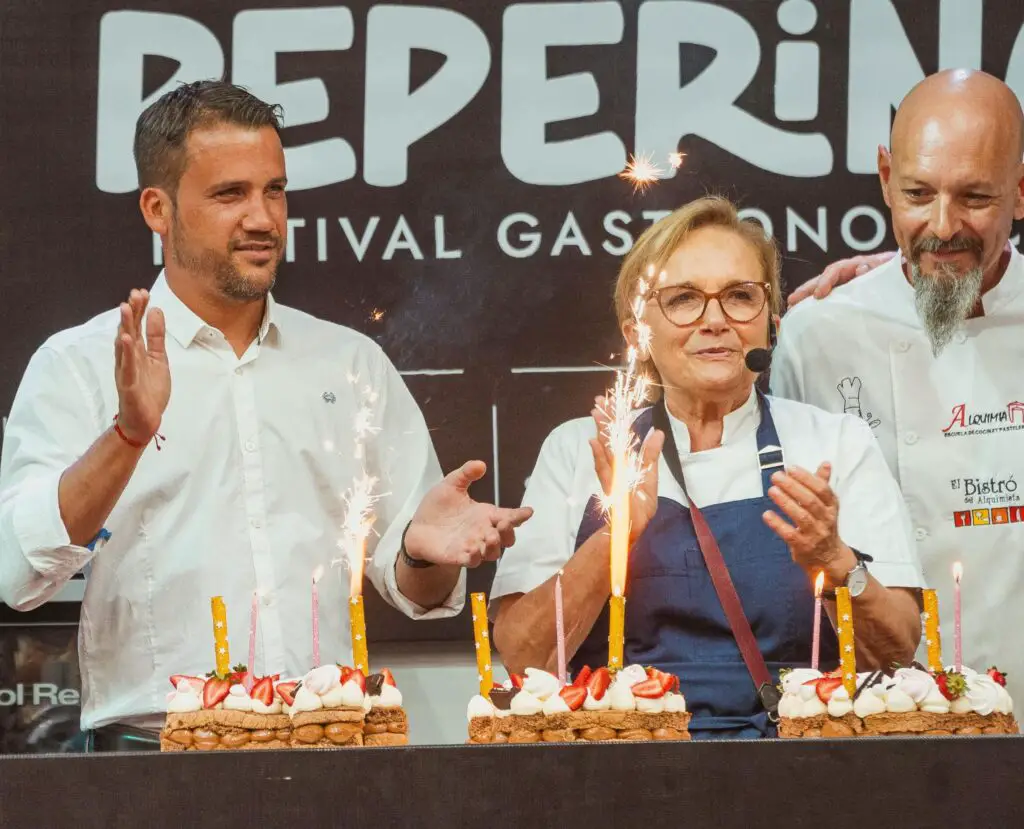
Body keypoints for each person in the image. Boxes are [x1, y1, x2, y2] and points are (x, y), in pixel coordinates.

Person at [0, 81, 531, 748]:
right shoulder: (79, 362)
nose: (263, 218)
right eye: (230, 194)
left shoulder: (349, 362)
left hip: (330, 744)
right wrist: (127, 436)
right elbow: (18, 574)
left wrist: (422, 553)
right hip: (152, 757)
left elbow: (418, 592)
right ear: (158, 209)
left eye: (274, 191)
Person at [491, 196, 925, 739]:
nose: (715, 321)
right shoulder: (578, 449)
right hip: (620, 762)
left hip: (801, 765)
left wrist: (834, 560)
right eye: (683, 300)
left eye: (741, 296)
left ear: (771, 322)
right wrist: (614, 538)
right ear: (636, 332)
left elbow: (896, 654)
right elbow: (523, 660)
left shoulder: (835, 442)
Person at [771, 69, 1024, 702]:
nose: (943, 225)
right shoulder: (818, 332)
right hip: (879, 709)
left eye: (975, 197)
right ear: (885, 179)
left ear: (1020, 192)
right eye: (917, 193)